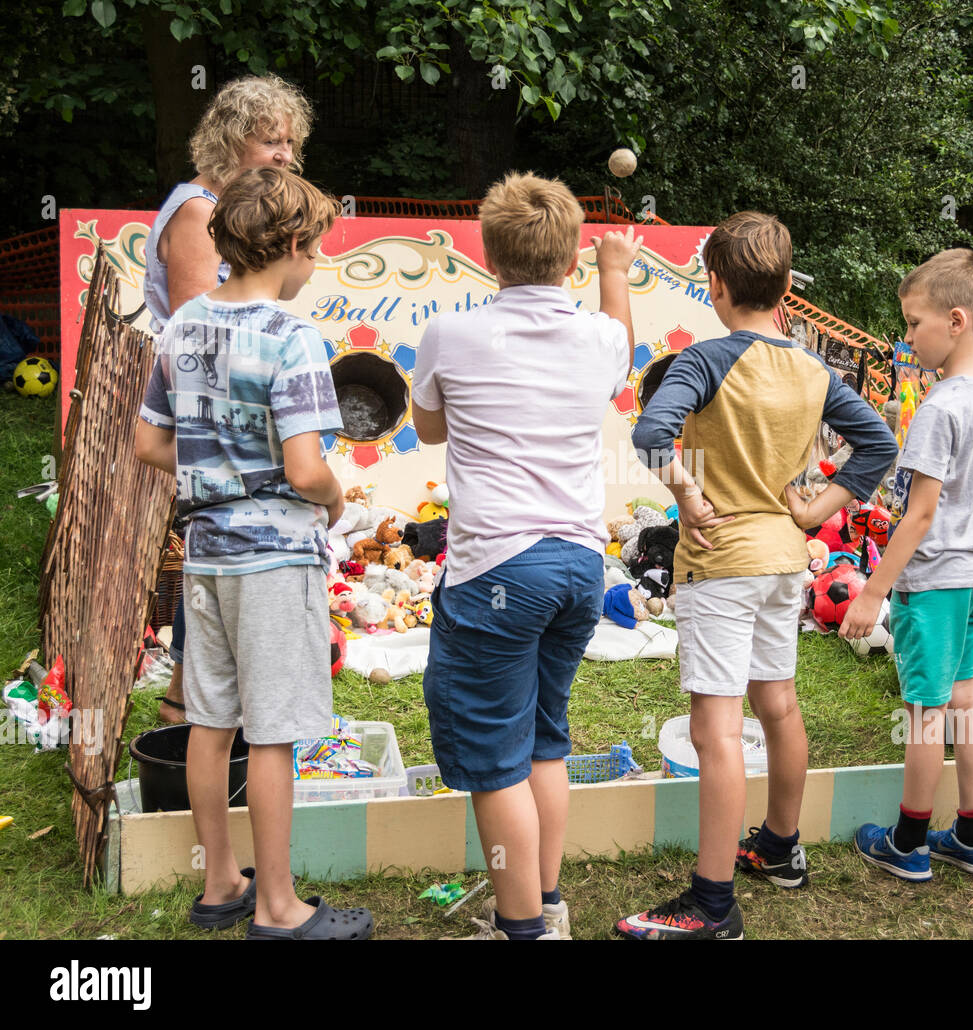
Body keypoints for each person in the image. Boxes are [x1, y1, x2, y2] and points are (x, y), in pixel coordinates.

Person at [614, 212, 897, 940]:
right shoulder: (812, 366)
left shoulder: (706, 358)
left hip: (721, 566)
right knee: (778, 702)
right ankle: (780, 847)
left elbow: (650, 434)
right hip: (782, 564)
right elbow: (877, 443)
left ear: (715, 284)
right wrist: (815, 508)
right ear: (782, 290)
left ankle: (711, 904)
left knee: (717, 727)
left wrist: (686, 491)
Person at [134, 166, 372, 940]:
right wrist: (338, 503)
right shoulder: (294, 337)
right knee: (272, 732)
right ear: (295, 245)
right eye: (317, 250)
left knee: (211, 721)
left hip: (203, 556)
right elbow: (306, 470)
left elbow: (148, 443)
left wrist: (218, 467)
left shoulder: (182, 325)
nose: (316, 265)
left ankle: (219, 883)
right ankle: (278, 907)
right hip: (273, 561)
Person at [411, 172, 642, 940]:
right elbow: (621, 343)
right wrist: (615, 273)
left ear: (488, 257)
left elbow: (432, 427)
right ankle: (543, 903)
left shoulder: (451, 333)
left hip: (497, 572)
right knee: (545, 736)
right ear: (570, 260)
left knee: (493, 757)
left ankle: (522, 929)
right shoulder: (602, 338)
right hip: (579, 567)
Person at [143, 74, 313, 726]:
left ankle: (192, 704)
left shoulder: (224, 213)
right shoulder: (196, 211)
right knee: (218, 550)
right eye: (272, 140)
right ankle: (190, 707)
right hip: (209, 417)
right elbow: (197, 332)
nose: (285, 155)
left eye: (290, 143)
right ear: (231, 140)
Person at [840, 249, 973, 884]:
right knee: (965, 699)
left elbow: (919, 515)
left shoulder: (940, 408)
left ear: (957, 320)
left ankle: (908, 841)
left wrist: (871, 592)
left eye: (914, 324)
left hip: (934, 580)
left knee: (923, 711)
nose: (906, 337)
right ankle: (972, 835)